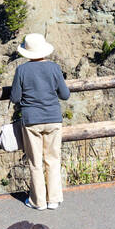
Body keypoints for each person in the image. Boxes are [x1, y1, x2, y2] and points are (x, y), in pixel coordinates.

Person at [10, 33, 70, 210]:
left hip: (31, 120)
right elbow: (65, 95)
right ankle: (54, 199)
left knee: (35, 162)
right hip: (53, 119)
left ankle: (38, 201)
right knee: (53, 159)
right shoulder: (54, 68)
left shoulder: (21, 70)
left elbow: (15, 97)